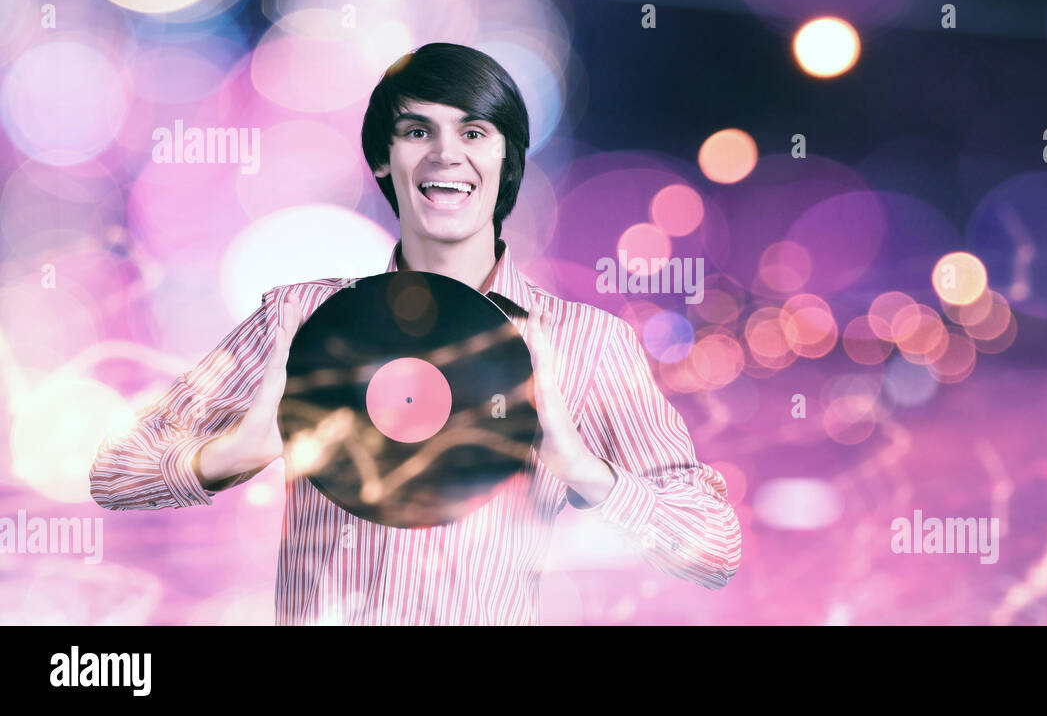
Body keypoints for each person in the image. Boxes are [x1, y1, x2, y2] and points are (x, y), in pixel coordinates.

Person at [89, 43, 742, 625]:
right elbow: (114, 471)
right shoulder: (299, 319)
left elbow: (714, 548)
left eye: (475, 131)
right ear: (382, 159)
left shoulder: (584, 342)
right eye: (416, 129)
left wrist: (582, 469)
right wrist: (231, 454)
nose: (445, 152)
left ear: (508, 160)